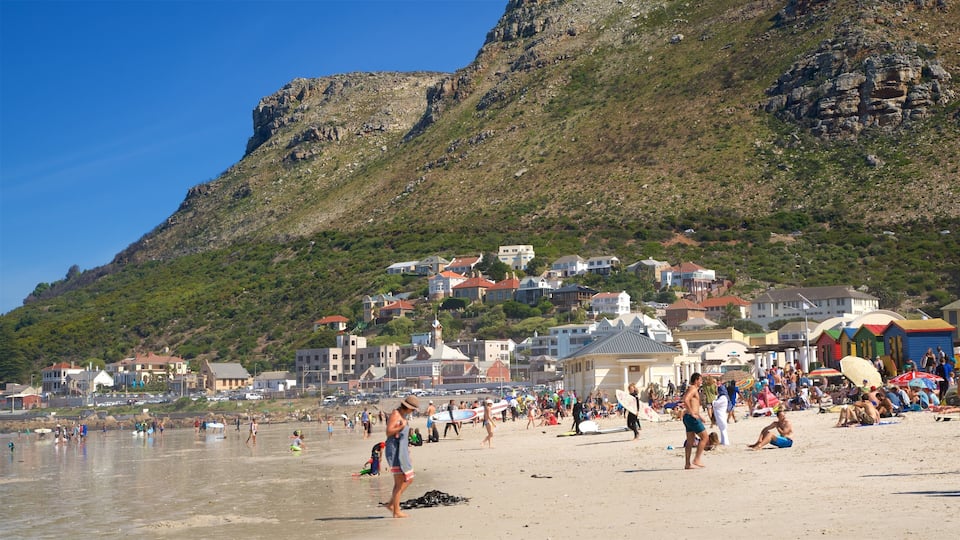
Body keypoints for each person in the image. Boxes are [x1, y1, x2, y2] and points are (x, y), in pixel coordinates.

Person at [384, 394, 419, 518]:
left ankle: (392, 504)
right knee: (399, 482)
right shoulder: (396, 414)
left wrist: (407, 451)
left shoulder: (402, 415)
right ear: (408, 407)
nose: (413, 411)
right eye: (413, 409)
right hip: (394, 451)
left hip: (402, 450)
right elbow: (388, 432)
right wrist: (400, 427)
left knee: (409, 478)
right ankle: (396, 511)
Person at [682, 373, 707, 469]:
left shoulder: (692, 389)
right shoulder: (693, 388)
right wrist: (693, 413)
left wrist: (699, 416)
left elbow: (693, 404)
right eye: (700, 380)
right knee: (705, 438)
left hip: (688, 417)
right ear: (696, 380)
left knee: (690, 441)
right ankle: (697, 459)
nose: (701, 382)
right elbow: (686, 399)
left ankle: (687, 464)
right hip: (691, 417)